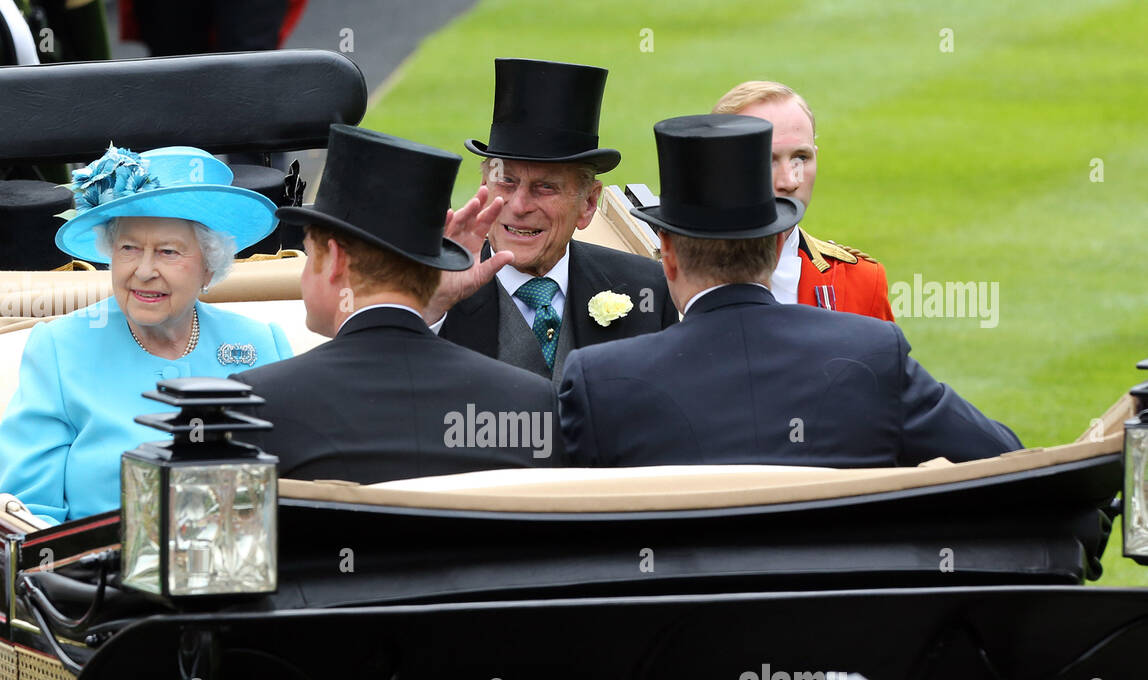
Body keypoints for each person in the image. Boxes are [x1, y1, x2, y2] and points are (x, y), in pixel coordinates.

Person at [558, 115, 1021, 469]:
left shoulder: (602, 382)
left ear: (669, 256)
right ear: (777, 245)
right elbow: (1010, 463)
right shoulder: (873, 355)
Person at [233, 124, 563, 481]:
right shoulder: (532, 404)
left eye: (308, 255)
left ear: (336, 260)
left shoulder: (256, 405)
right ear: (435, 268)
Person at [0, 145, 292, 524]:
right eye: (129, 248)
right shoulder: (59, 349)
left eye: (168, 251)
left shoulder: (261, 344)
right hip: (100, 575)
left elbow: (293, 487)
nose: (145, 270)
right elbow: (28, 515)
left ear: (208, 266)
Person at [430, 58, 679, 384]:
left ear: (588, 203)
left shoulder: (647, 289)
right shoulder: (437, 294)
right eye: (506, 182)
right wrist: (432, 306)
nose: (519, 206)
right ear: (483, 189)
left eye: (545, 187)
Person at [714, 81, 893, 320]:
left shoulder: (860, 283)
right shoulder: (666, 280)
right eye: (766, 160)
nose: (789, 181)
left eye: (801, 157)